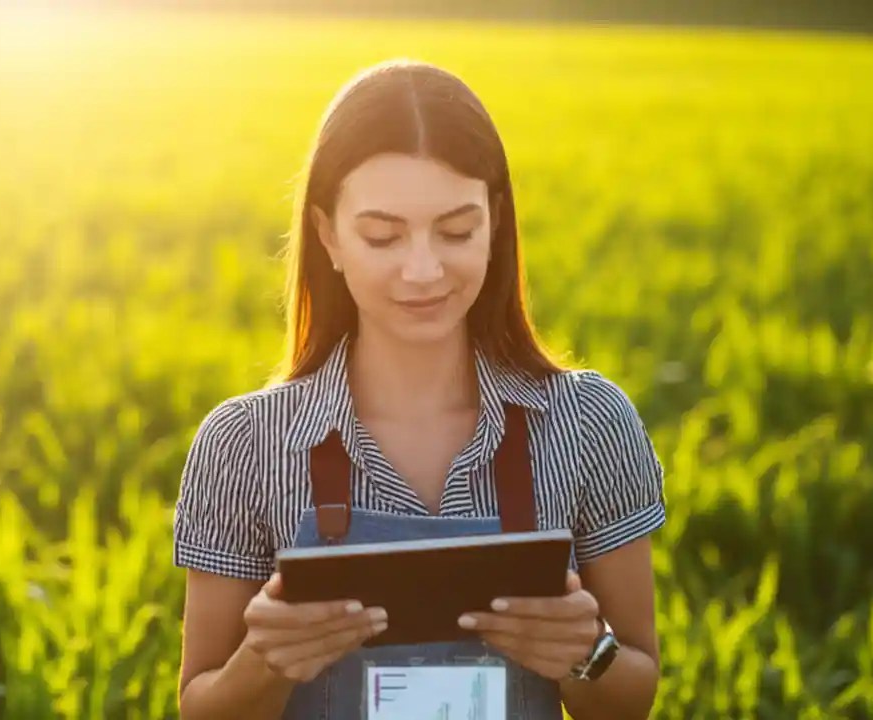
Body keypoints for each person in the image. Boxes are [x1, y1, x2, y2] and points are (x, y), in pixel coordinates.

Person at [172, 58, 666, 719]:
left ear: (495, 222)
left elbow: (632, 695)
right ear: (329, 235)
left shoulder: (588, 424)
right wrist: (265, 661)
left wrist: (586, 651)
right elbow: (202, 708)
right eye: (383, 236)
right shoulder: (242, 445)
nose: (424, 269)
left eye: (457, 231)